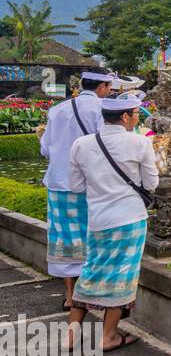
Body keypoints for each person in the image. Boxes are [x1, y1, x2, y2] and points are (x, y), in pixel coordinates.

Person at [65, 94, 159, 353]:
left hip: (98, 219)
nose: (138, 118)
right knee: (122, 275)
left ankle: (71, 336)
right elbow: (151, 184)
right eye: (136, 114)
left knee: (90, 270)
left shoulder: (81, 145)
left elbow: (76, 186)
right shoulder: (140, 143)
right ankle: (108, 336)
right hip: (130, 219)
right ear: (126, 117)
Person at [38, 69, 114, 310]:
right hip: (89, 186)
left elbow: (45, 149)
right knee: (94, 239)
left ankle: (71, 297)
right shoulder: (100, 111)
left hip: (59, 186)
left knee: (65, 240)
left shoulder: (57, 110)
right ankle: (90, 296)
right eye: (109, 87)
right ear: (102, 88)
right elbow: (107, 146)